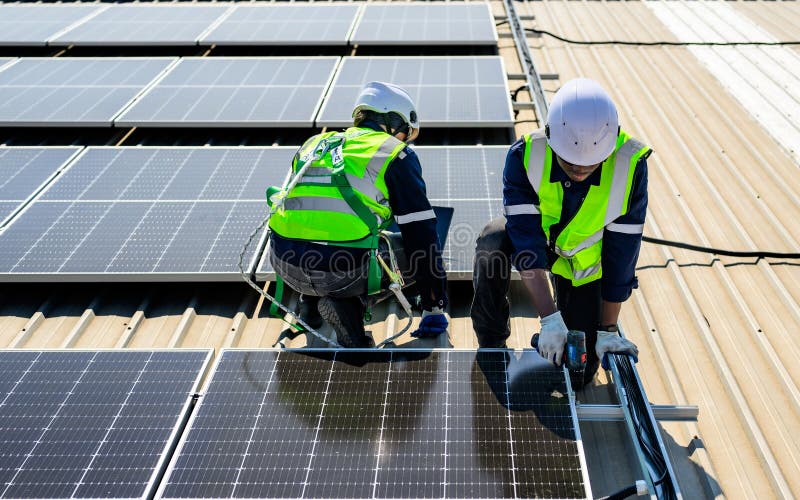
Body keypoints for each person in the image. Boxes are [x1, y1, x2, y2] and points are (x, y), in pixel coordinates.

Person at [470, 78, 649, 388]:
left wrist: (607, 329)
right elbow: (526, 241)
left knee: (579, 372)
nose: (579, 170)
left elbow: (622, 253)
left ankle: (582, 330)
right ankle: (491, 340)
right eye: (570, 161)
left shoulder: (630, 166)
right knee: (493, 239)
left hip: (582, 264)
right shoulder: (525, 156)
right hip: (539, 246)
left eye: (591, 163)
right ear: (552, 137)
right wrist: (550, 318)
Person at [268, 81, 448, 348]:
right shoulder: (394, 154)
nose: (404, 140)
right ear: (393, 122)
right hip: (339, 272)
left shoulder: (314, 143)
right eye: (404, 132)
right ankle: (347, 307)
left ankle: (310, 304)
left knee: (323, 232)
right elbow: (420, 232)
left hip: (284, 262)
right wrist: (434, 304)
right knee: (418, 247)